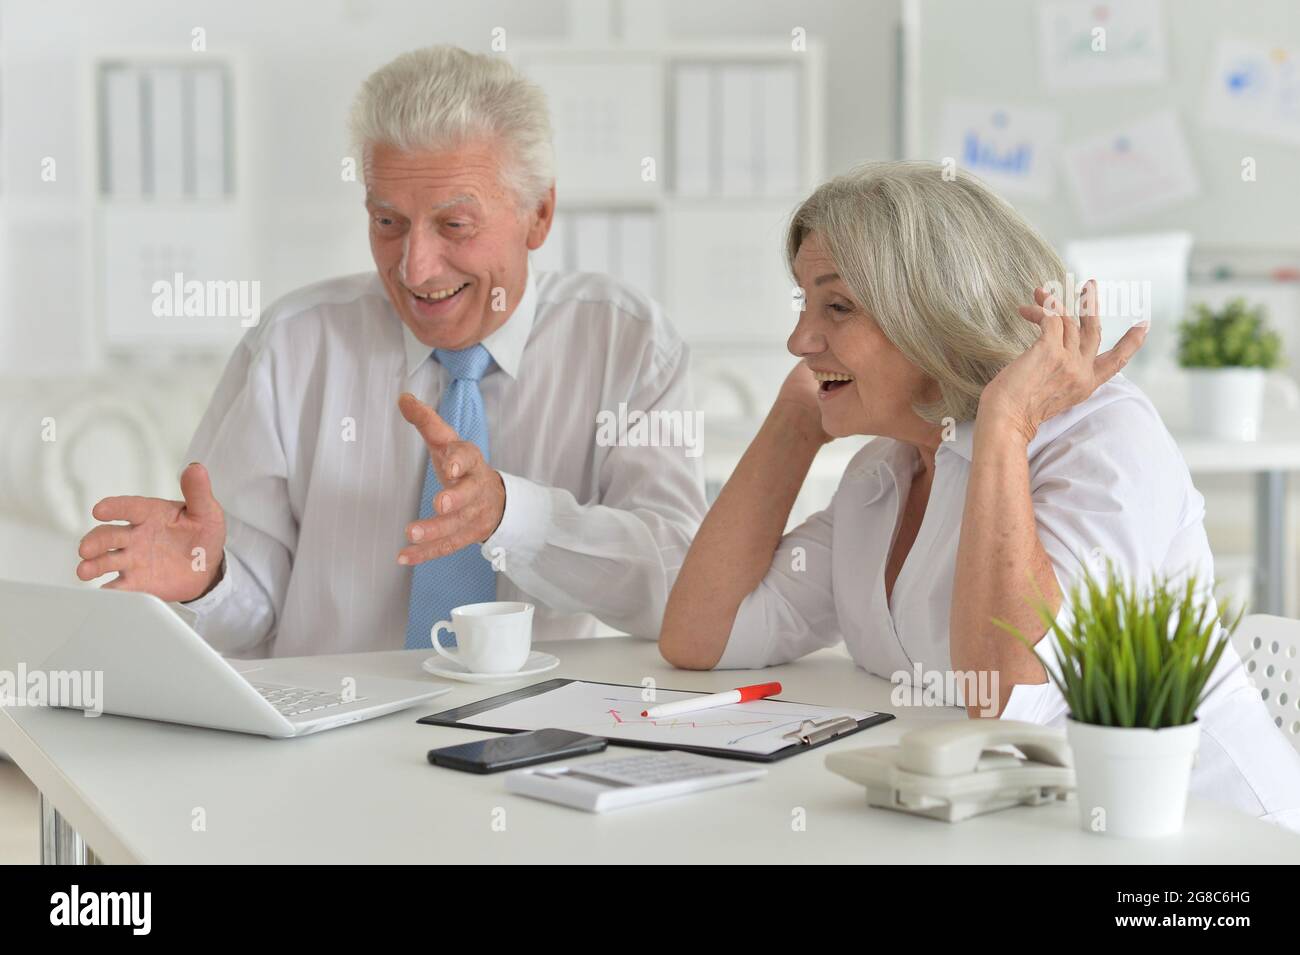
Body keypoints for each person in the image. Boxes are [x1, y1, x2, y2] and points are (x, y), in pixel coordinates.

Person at [659, 160, 1300, 830]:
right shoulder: (886, 475)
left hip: (1214, 842)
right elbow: (701, 634)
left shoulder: (1106, 439)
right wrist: (793, 427)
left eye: (837, 306)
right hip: (1033, 833)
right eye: (804, 305)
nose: (799, 340)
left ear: (936, 314)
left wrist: (1004, 425)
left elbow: (1003, 693)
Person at [75, 45, 706, 656]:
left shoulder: (628, 344)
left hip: (534, 738)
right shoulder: (292, 343)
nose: (415, 267)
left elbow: (677, 584)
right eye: (387, 223)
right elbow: (251, 609)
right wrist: (205, 578)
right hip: (323, 741)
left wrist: (514, 515)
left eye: (454, 225)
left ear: (538, 215)